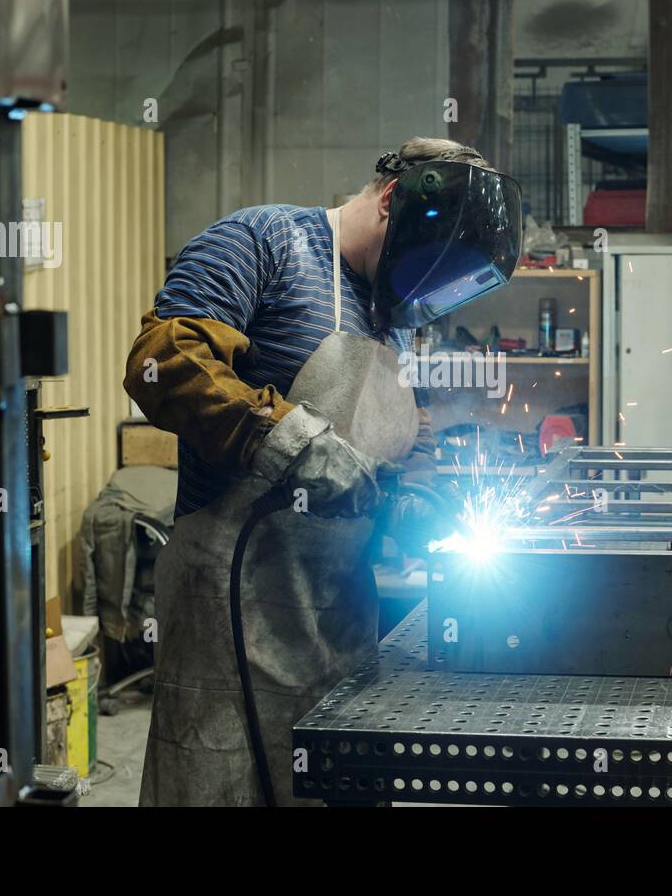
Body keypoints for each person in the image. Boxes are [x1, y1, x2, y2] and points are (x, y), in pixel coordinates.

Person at [123, 137, 521, 805]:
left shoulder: (389, 313)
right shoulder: (263, 240)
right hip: (231, 602)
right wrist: (295, 444)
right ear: (392, 198)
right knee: (222, 785)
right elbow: (163, 363)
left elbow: (400, 443)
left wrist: (416, 500)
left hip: (338, 615)